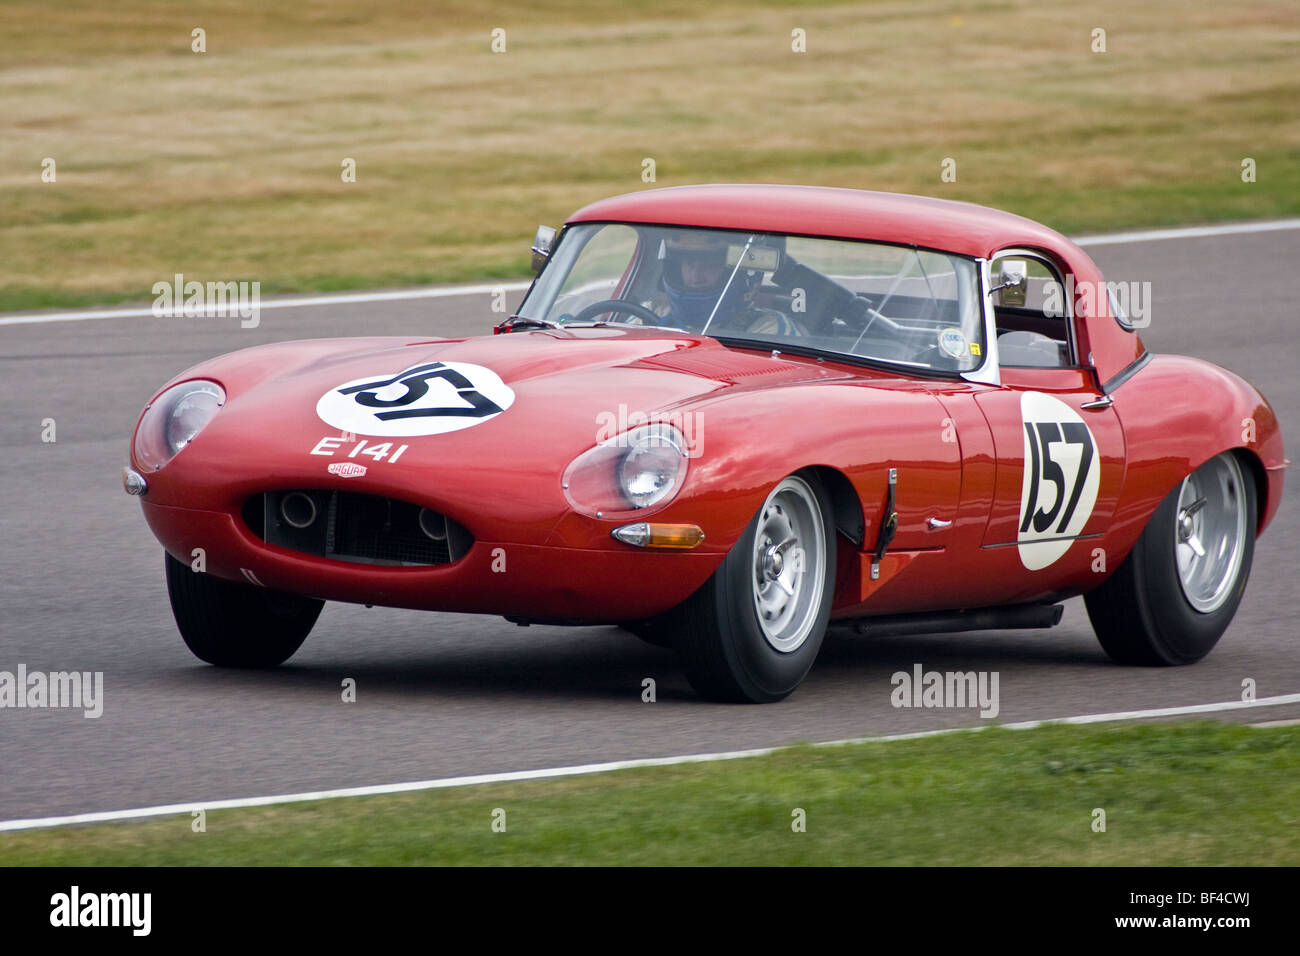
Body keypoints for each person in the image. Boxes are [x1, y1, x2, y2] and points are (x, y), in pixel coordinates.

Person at [649, 231, 799, 336]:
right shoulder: (651, 312)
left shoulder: (769, 327)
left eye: (710, 265)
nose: (696, 276)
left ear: (740, 273)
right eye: (689, 264)